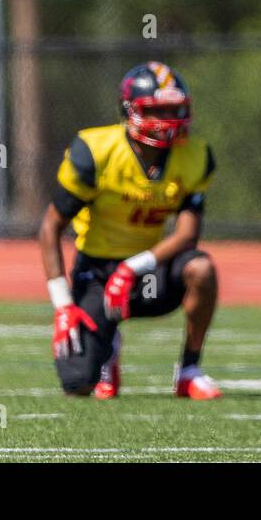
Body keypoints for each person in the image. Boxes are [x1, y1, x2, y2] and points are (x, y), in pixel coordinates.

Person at [38, 62, 221, 399]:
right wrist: (62, 305)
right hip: (97, 272)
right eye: (158, 110)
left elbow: (186, 236)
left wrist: (131, 268)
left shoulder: (194, 156)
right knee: (78, 383)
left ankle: (189, 370)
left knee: (202, 268)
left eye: (175, 109)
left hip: (149, 271)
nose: (169, 120)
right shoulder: (96, 152)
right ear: (130, 112)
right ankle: (109, 345)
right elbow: (51, 227)